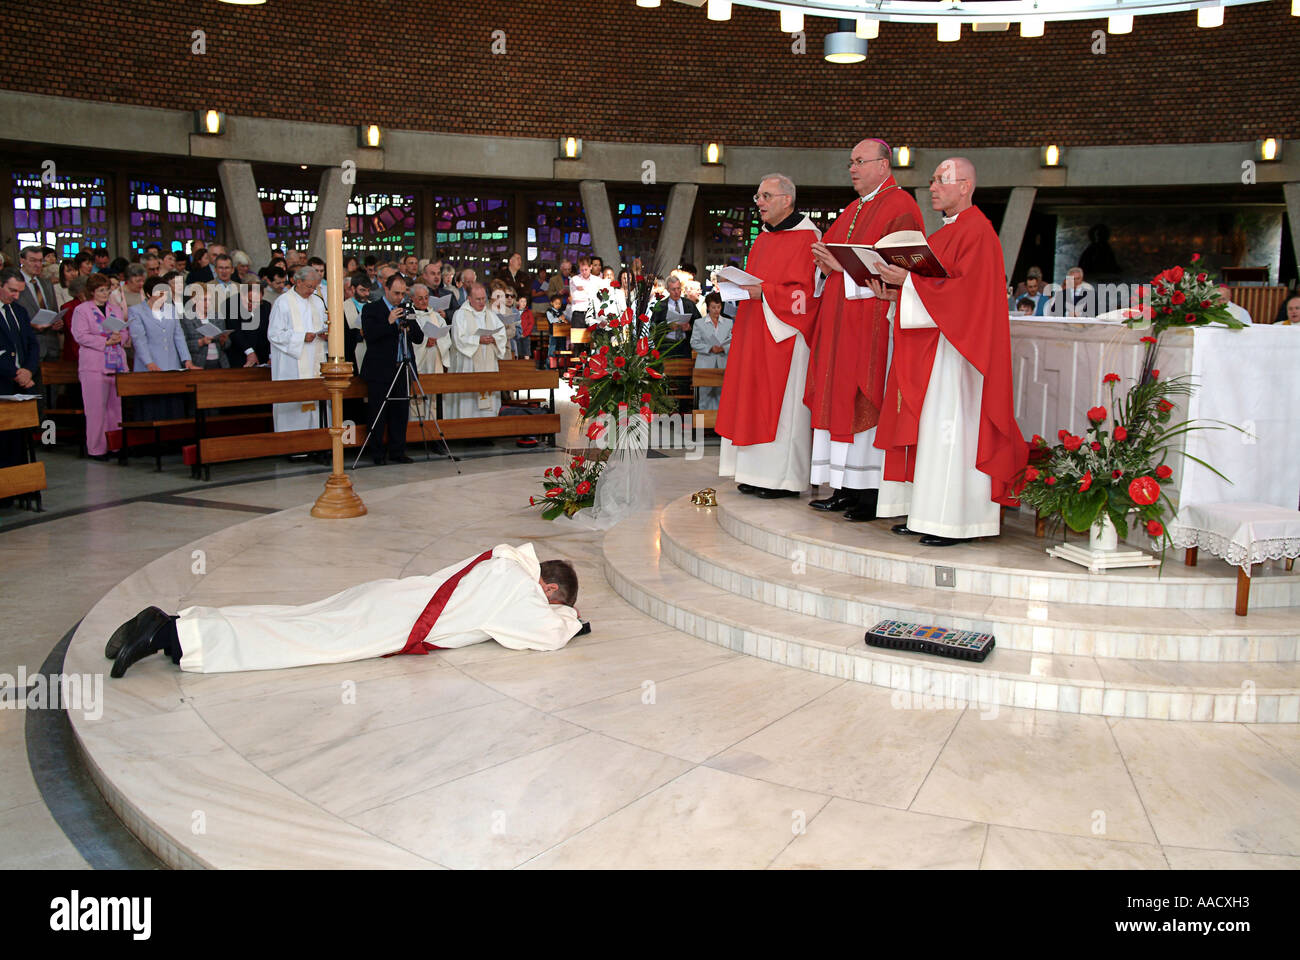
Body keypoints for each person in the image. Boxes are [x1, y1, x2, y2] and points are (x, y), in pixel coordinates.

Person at [106, 544, 584, 678]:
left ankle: (174, 626)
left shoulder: (502, 560)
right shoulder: (518, 589)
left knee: (294, 620)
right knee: (301, 641)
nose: (550, 607)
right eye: (555, 599)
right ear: (549, 587)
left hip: (386, 598)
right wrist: (573, 620)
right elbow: (543, 635)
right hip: (389, 622)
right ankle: (171, 635)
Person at [869, 157, 1027, 546]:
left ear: (966, 186)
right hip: (935, 348)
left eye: (942, 181)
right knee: (930, 430)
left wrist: (912, 284)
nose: (934, 188)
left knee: (950, 432)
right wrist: (896, 292)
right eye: (933, 180)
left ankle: (954, 521)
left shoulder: (979, 232)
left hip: (961, 354)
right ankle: (925, 512)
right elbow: (933, 286)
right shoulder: (942, 234)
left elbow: (967, 296)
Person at [805, 137, 925, 521]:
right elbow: (839, 258)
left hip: (873, 321)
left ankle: (869, 492)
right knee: (837, 398)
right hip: (841, 323)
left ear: (883, 165)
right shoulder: (854, 207)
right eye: (850, 162)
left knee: (864, 398)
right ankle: (843, 486)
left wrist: (844, 269)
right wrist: (825, 265)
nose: (852, 168)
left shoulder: (901, 206)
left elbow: (903, 268)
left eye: (859, 161)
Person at [715, 174, 821, 499]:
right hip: (754, 330)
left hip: (785, 335)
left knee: (782, 408)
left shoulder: (809, 238)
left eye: (765, 196)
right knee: (750, 400)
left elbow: (808, 295)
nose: (758, 203)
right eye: (758, 196)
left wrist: (766, 292)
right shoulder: (763, 238)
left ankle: (784, 480)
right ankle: (753, 474)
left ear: (786, 200)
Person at [360, 272, 424, 464]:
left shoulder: (407, 308)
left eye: (403, 294)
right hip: (380, 369)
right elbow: (370, 336)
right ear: (386, 289)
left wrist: (409, 324)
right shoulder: (371, 309)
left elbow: (419, 338)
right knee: (378, 413)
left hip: (402, 367)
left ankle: (398, 451)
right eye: (396, 293)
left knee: (400, 412)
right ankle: (378, 453)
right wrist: (389, 322)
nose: (399, 298)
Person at [71, 273, 131, 460]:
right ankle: (96, 449)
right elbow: (80, 335)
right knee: (96, 410)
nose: (105, 293)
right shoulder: (82, 310)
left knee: (116, 409)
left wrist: (120, 337)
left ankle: (115, 445)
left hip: (116, 365)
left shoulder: (115, 309)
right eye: (101, 290)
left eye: (107, 289)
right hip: (94, 365)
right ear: (92, 292)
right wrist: (104, 341)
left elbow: (124, 332)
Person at [127, 276, 198, 420]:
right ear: (148, 294)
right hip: (149, 366)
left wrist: (187, 359)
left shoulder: (171, 309)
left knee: (173, 408)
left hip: (171, 365)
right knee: (153, 409)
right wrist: (149, 363)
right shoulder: (136, 311)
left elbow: (178, 336)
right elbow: (139, 340)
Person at [267, 266, 328, 432]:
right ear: (297, 281)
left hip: (315, 359)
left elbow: (324, 324)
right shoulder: (283, 302)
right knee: (294, 402)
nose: (312, 291)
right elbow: (274, 334)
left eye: (314, 287)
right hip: (293, 362)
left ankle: (317, 441)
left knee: (317, 400)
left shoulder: (317, 301)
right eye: (309, 286)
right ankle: (294, 446)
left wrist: (325, 334)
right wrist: (301, 337)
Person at [446, 282, 507, 419]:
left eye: (484, 298)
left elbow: (501, 333)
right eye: (478, 299)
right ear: (469, 299)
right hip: (469, 364)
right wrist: (477, 340)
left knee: (488, 395)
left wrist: (495, 338)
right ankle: (468, 429)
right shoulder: (460, 314)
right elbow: (458, 339)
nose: (482, 302)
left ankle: (488, 428)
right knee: (470, 400)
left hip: (488, 363)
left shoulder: (490, 314)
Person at [0, 268, 42, 469]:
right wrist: (16, 373)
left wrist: (28, 370)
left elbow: (32, 345)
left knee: (19, 440)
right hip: (3, 381)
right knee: (3, 441)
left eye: (19, 292)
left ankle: (21, 486)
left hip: (23, 383)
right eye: (11, 290)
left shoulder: (19, 311)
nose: (16, 296)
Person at [17, 246, 61, 362]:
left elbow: (53, 310)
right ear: (22, 261)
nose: (38, 264)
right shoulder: (14, 284)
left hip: (51, 346)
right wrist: (30, 325)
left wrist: (57, 323)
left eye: (40, 260)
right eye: (33, 260)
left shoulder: (46, 284)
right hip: (28, 346)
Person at [690, 292, 731, 410]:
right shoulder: (699, 323)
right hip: (705, 364)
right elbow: (694, 342)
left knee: (722, 396)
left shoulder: (728, 323)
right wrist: (709, 348)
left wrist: (724, 348)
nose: (716, 310)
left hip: (723, 363)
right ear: (708, 307)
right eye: (713, 307)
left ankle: (718, 426)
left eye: (718, 307)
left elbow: (733, 341)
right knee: (704, 396)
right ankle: (701, 426)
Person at [567, 256, 604, 327]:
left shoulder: (597, 280)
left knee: (593, 337)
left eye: (586, 269)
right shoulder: (575, 279)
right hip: (578, 314)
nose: (584, 272)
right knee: (577, 337)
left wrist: (585, 291)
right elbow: (576, 297)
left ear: (591, 267)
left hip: (593, 313)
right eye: (581, 270)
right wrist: (589, 293)